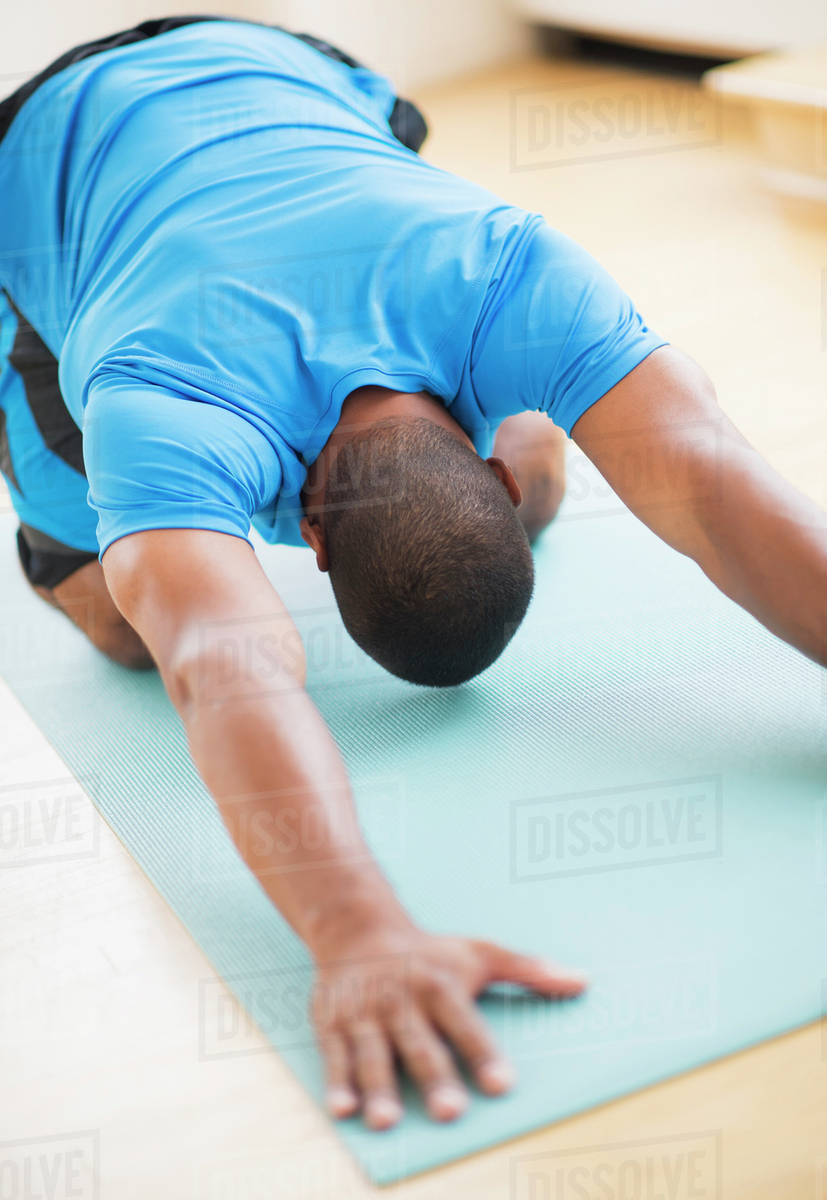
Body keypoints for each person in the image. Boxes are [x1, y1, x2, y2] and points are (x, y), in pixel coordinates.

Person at [1, 17, 824, 1131]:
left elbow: (714, 491)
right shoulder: (153, 407)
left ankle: (526, 439)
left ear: (313, 536)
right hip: (34, 172)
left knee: (568, 472)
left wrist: (367, 933)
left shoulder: (509, 265)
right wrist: (355, 932)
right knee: (119, 626)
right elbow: (211, 667)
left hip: (299, 74)